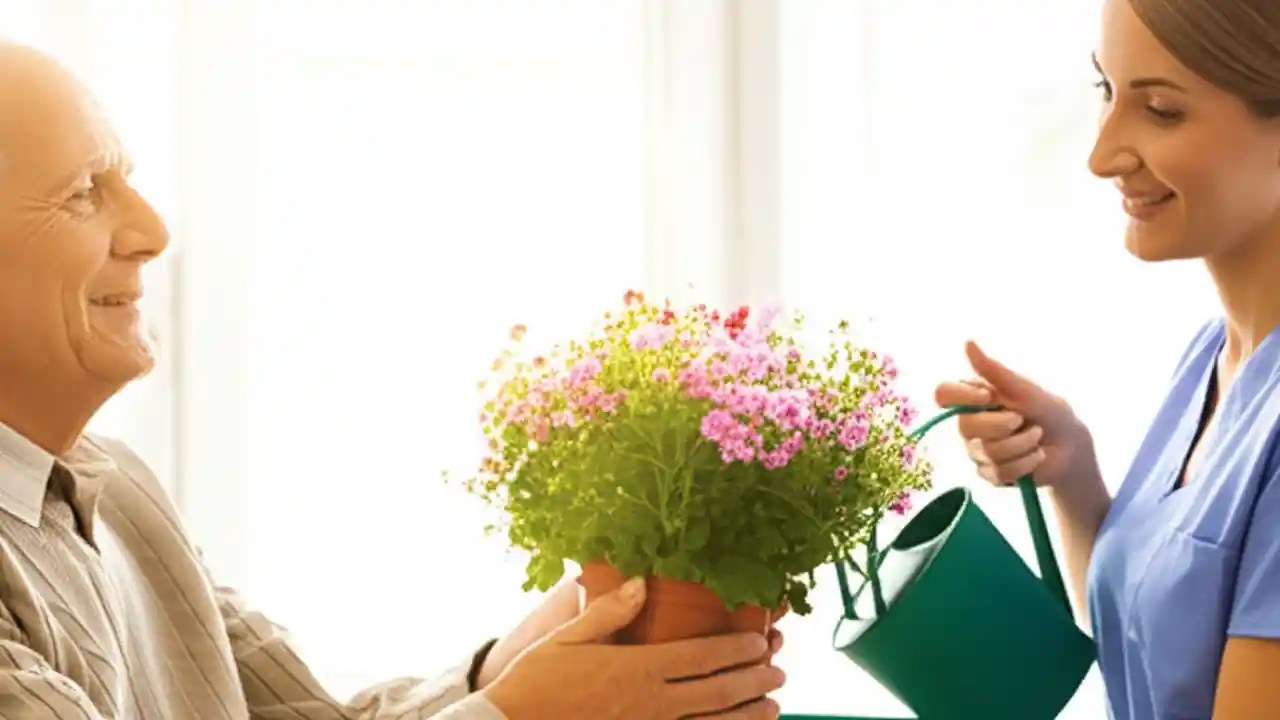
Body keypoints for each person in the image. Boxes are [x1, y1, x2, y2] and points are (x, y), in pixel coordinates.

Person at [0, 41, 786, 719]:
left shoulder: (125, 495)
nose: (150, 231)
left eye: (127, 181)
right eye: (82, 194)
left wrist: (515, 666)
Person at [936, 0, 1280, 718]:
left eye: (1160, 111)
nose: (1100, 157)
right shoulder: (1213, 359)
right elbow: (1158, 641)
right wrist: (1071, 474)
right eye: (1106, 90)